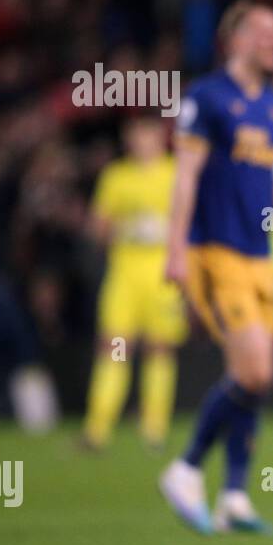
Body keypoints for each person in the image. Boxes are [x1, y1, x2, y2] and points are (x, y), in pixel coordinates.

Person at [158, 1, 273, 535]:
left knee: (255, 380)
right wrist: (175, 249)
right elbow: (185, 177)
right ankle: (186, 468)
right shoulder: (206, 99)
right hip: (216, 252)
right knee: (252, 371)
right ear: (234, 40)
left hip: (261, 256)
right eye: (263, 32)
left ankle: (233, 497)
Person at [81, 117, 185, 452]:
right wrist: (125, 229)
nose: (141, 140)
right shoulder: (116, 176)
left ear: (159, 136)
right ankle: (97, 431)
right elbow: (97, 227)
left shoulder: (175, 174)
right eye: (135, 133)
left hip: (163, 275)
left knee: (160, 347)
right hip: (124, 274)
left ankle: (153, 430)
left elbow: (191, 224)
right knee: (114, 347)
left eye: (147, 133)